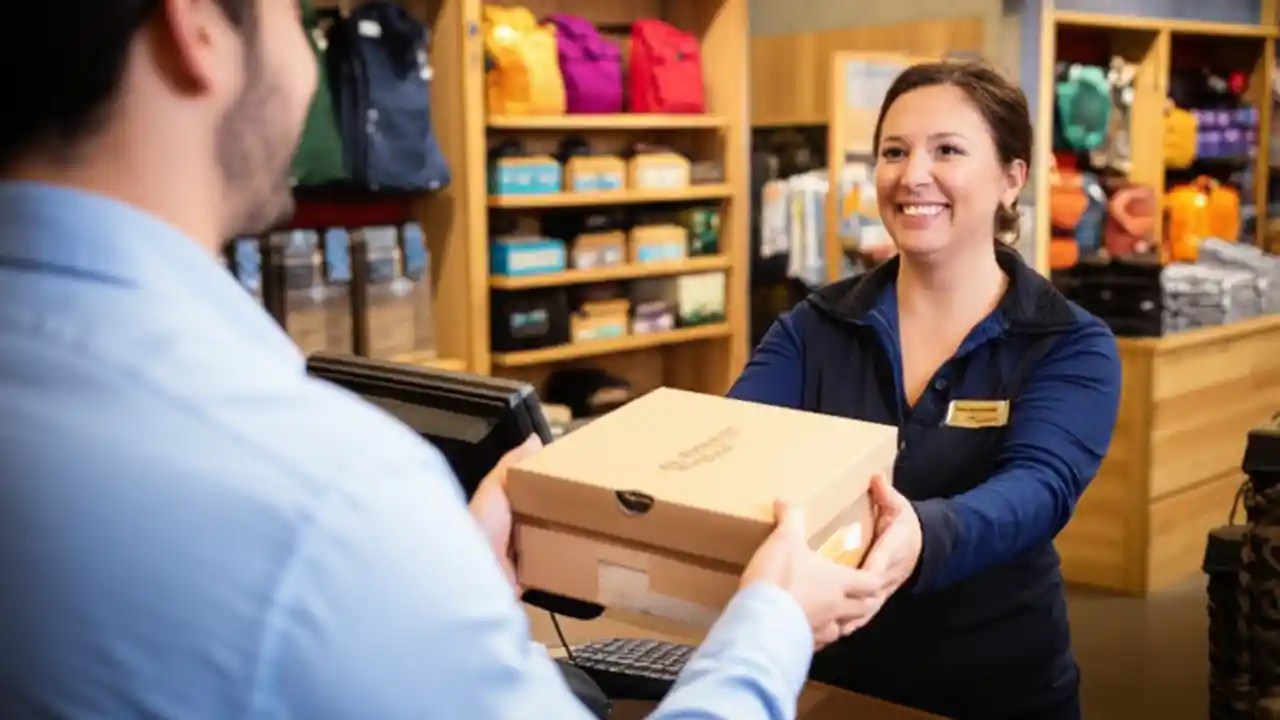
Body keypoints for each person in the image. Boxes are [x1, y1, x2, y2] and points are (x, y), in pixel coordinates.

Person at [0, 1, 885, 718]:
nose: (311, 69)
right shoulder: (327, 492)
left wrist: (428, 586)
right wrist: (770, 625)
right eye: (298, 17)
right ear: (196, 30)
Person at [728, 61, 1123, 719]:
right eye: (893, 151)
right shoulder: (815, 326)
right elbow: (738, 442)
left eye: (947, 150)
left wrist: (922, 533)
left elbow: (1040, 488)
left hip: (995, 687)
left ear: (1012, 177)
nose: (912, 174)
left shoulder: (1067, 343)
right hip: (828, 681)